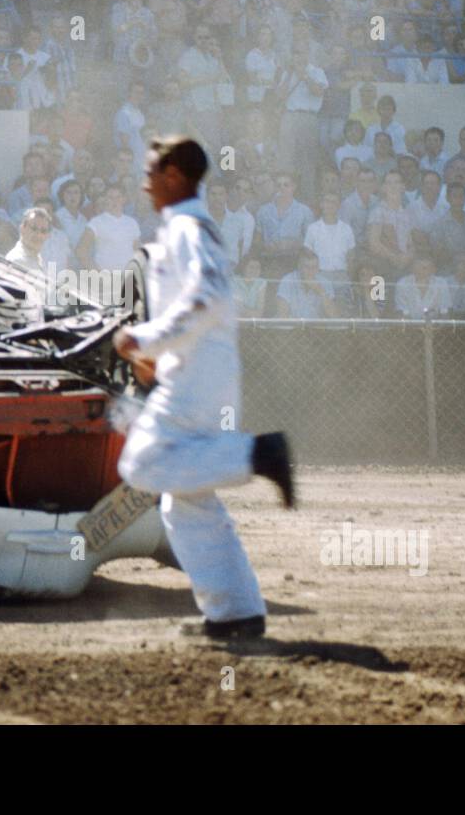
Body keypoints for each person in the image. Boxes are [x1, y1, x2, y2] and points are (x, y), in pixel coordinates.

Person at [114, 136, 294, 641]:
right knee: (185, 501)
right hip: (194, 371)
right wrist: (156, 354)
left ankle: (259, 454)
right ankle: (235, 615)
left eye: (152, 170)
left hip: (198, 378)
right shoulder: (180, 228)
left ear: (174, 176)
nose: (144, 180)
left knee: (141, 463)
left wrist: (143, 338)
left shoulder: (190, 228)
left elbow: (207, 297)